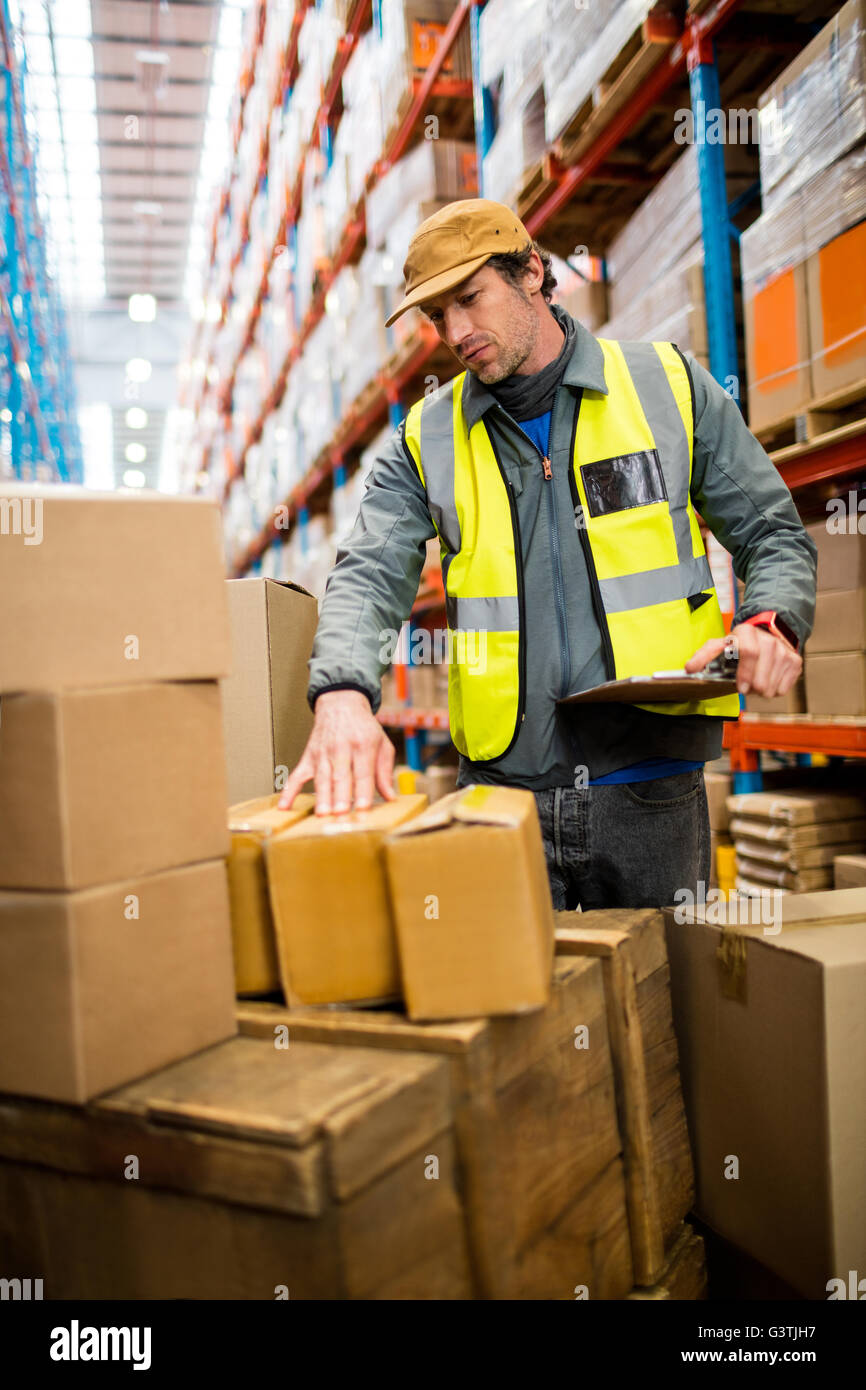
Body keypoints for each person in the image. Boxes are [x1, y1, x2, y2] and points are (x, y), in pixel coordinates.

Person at [279, 199, 816, 910]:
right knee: (520, 1017)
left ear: (532, 270)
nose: (457, 332)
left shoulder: (667, 386)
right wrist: (344, 690)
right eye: (438, 315)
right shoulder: (424, 441)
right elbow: (371, 571)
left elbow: (771, 530)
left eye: (470, 298)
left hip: (649, 793)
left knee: (664, 1014)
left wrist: (772, 619)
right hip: (506, 803)